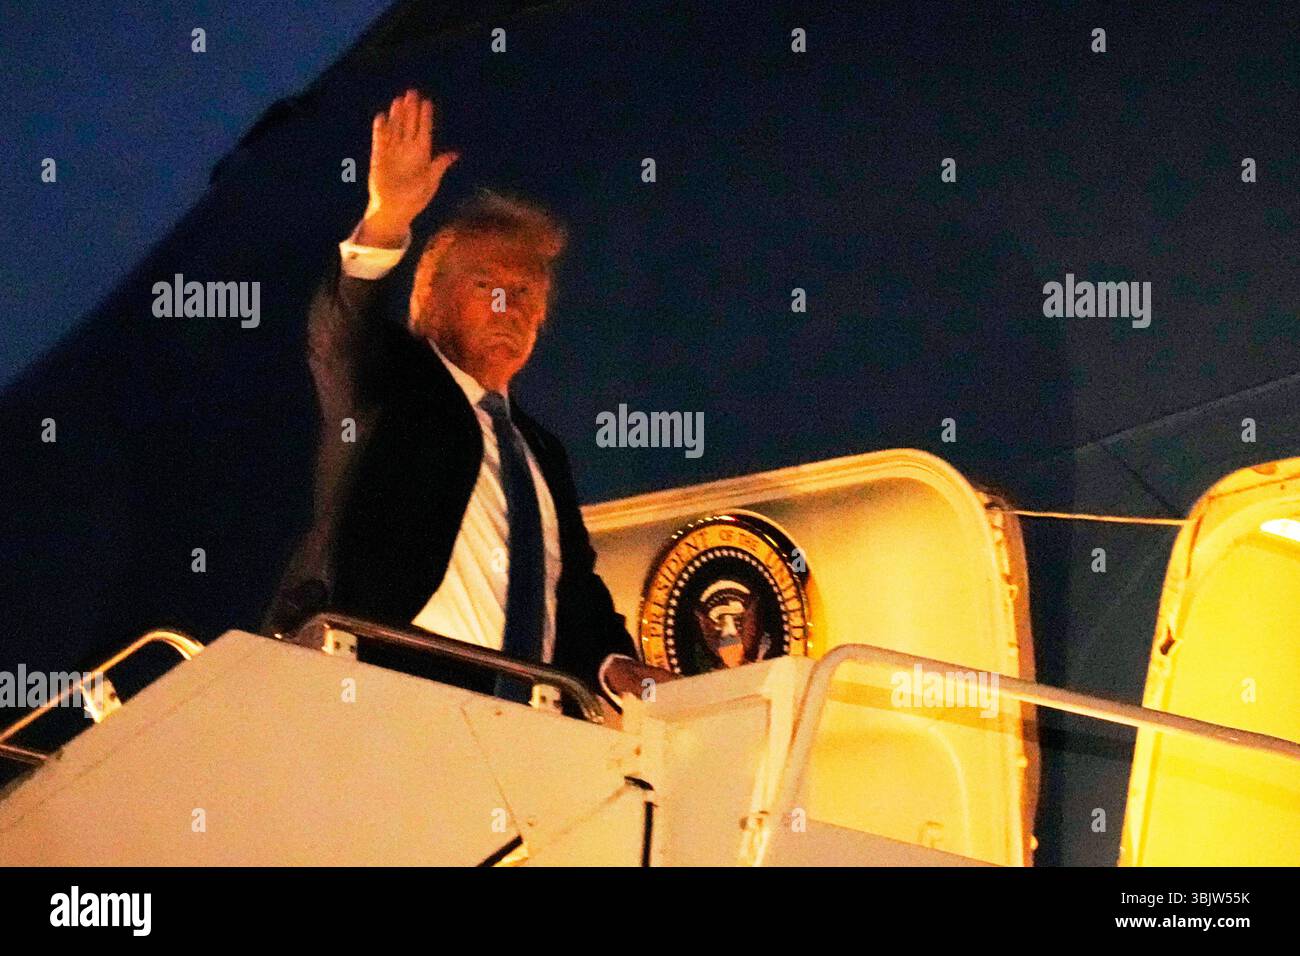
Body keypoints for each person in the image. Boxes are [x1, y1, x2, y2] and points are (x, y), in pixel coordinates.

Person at [263, 89, 673, 714]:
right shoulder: (386, 385)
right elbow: (340, 330)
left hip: (527, 728)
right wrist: (386, 218)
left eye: (529, 291)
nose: (515, 306)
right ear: (426, 294)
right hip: (383, 698)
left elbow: (575, 592)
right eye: (489, 285)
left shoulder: (541, 452)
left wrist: (622, 671)